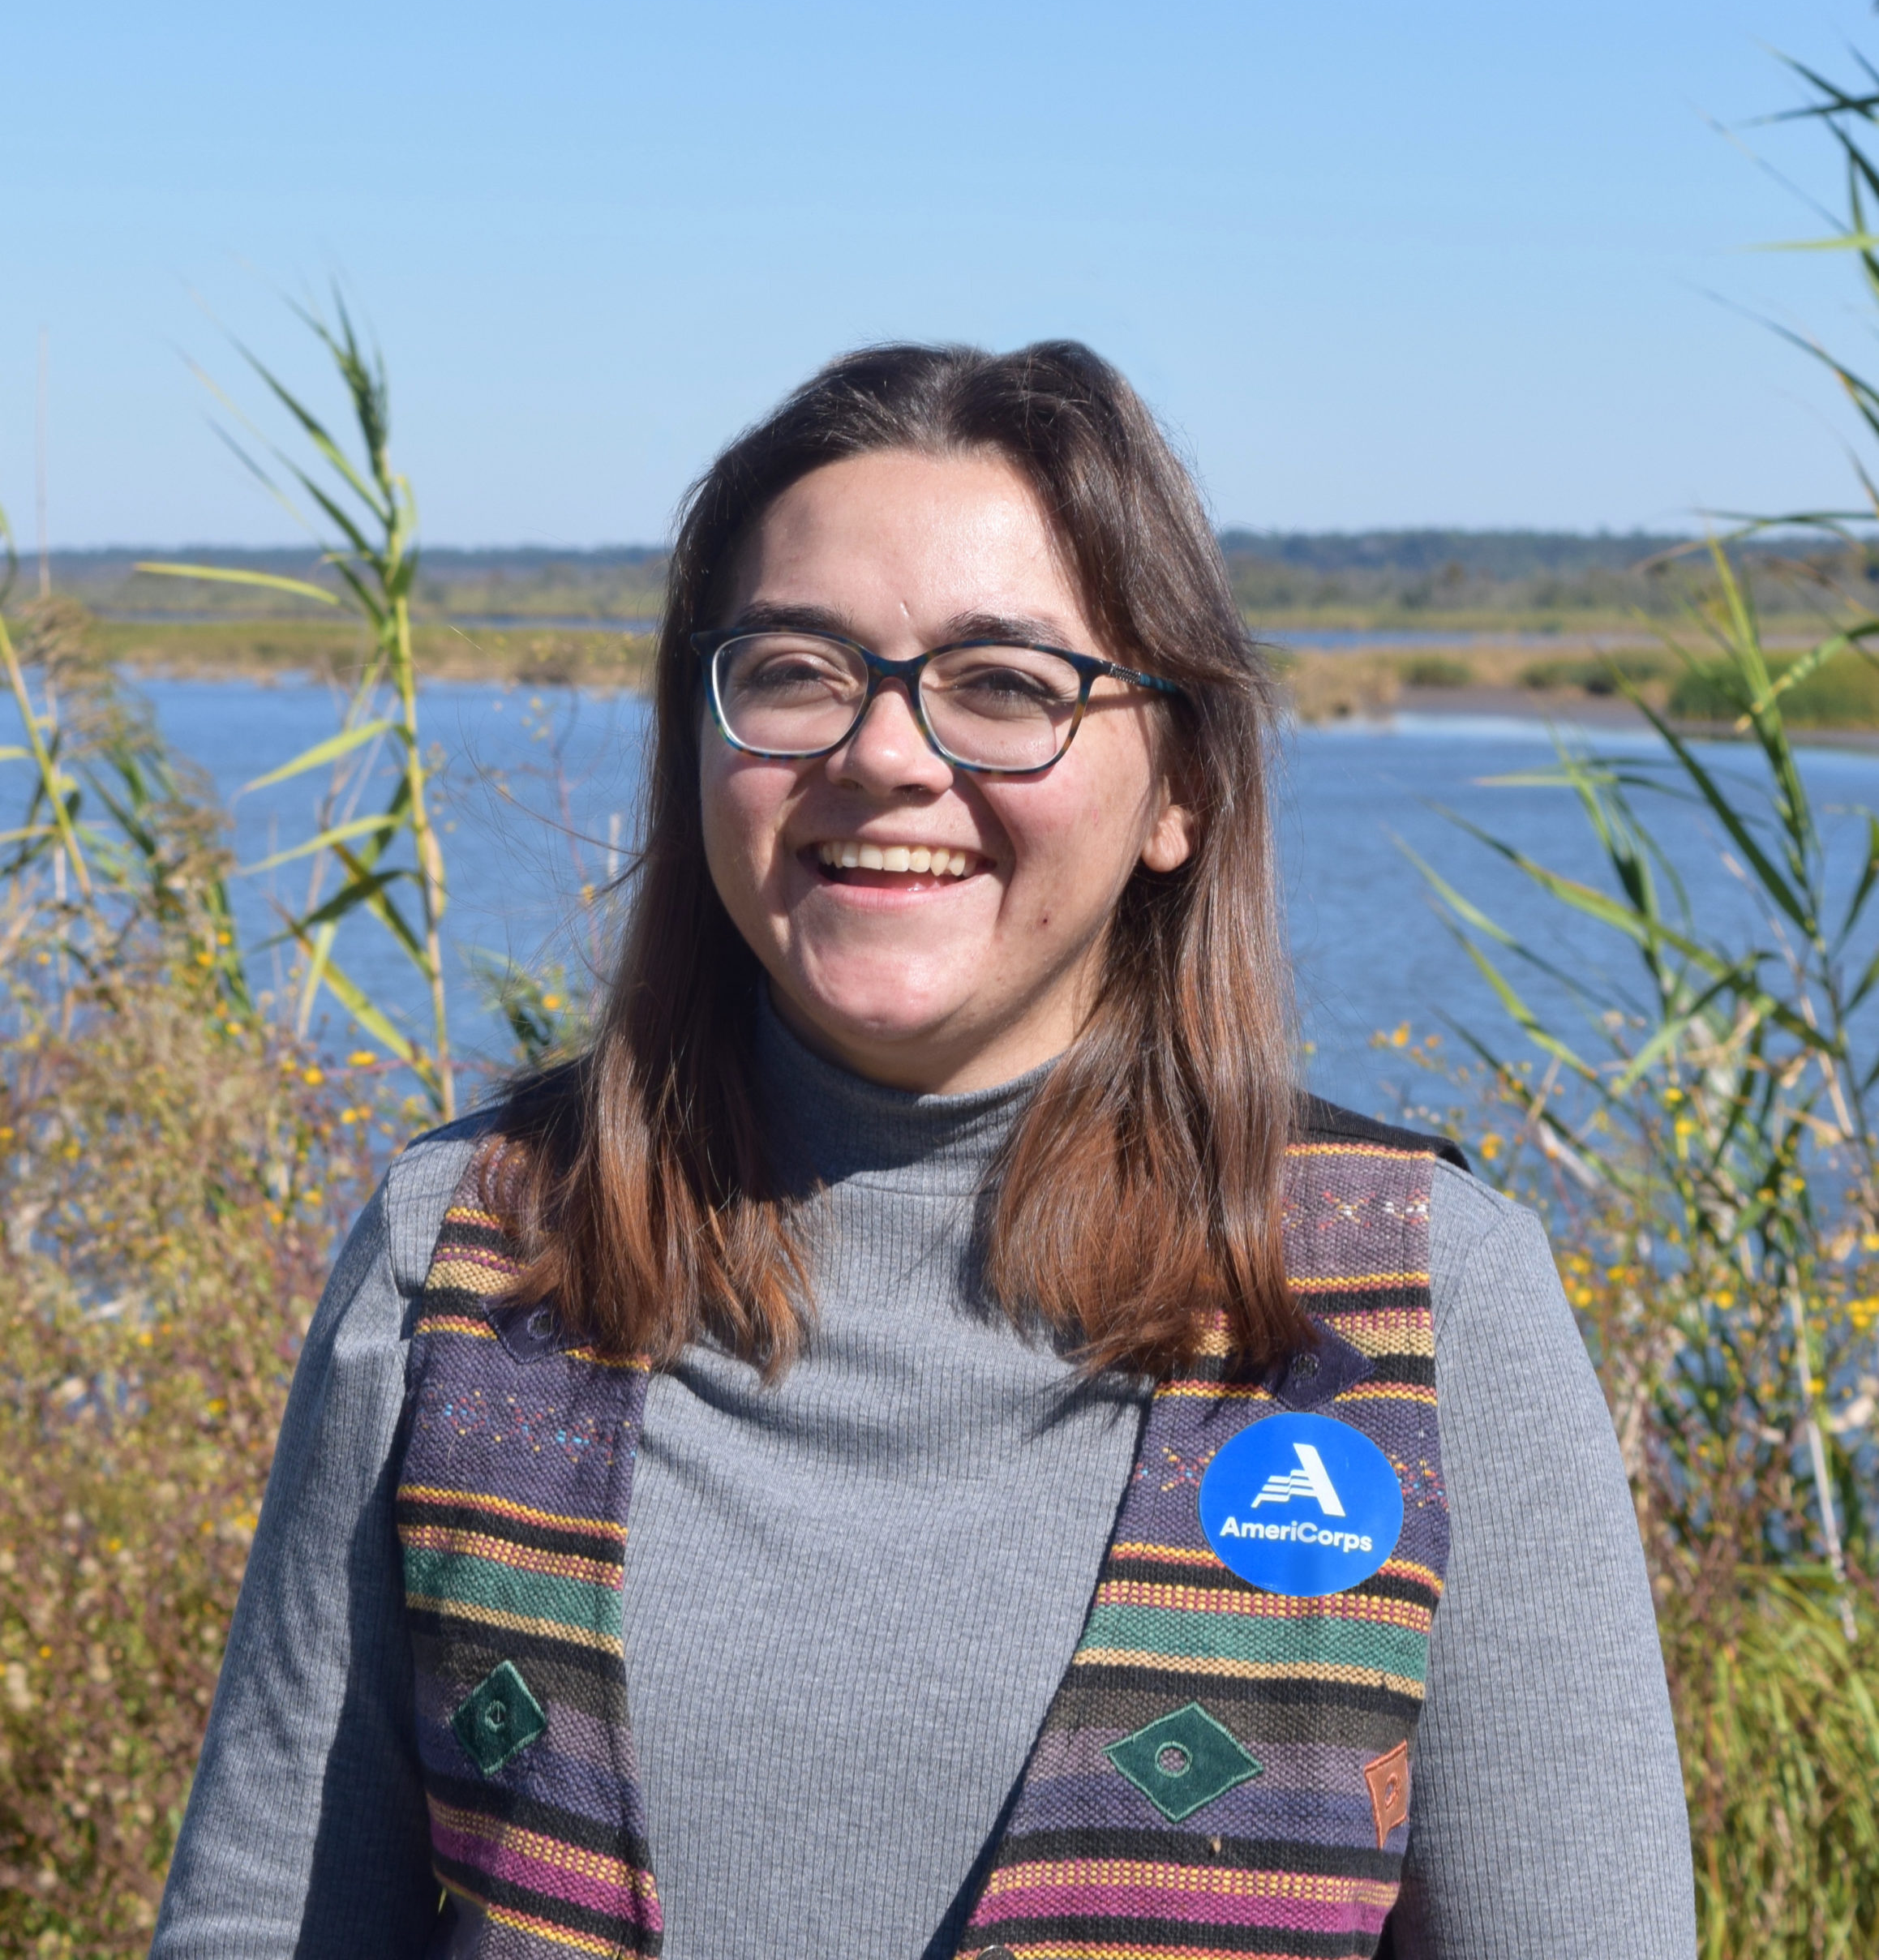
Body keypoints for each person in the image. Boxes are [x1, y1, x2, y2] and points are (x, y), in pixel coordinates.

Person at [152, 343, 1694, 1960]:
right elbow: (267, 1915)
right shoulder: (465, 1257)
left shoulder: (1422, 1310)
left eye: (1007, 683)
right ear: (699, 738)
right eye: (798, 668)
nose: (886, 752)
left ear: (1175, 783)